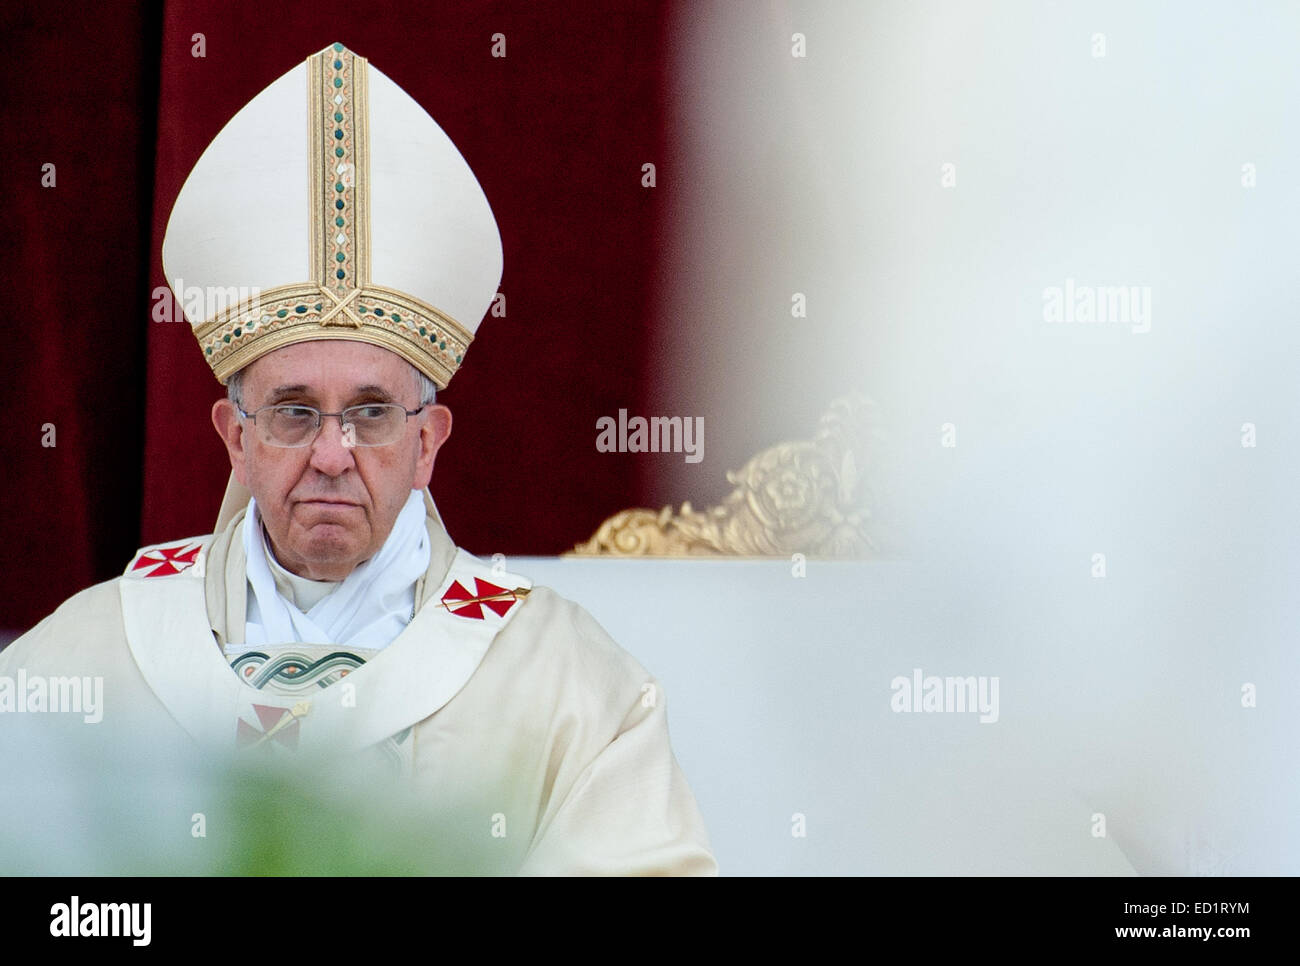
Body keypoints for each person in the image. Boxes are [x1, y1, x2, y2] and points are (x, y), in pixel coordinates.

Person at [0, 41, 716, 876]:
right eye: (295, 412)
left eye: (372, 414)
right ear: (236, 436)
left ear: (427, 443)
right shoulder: (87, 661)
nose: (333, 455)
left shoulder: (564, 685)